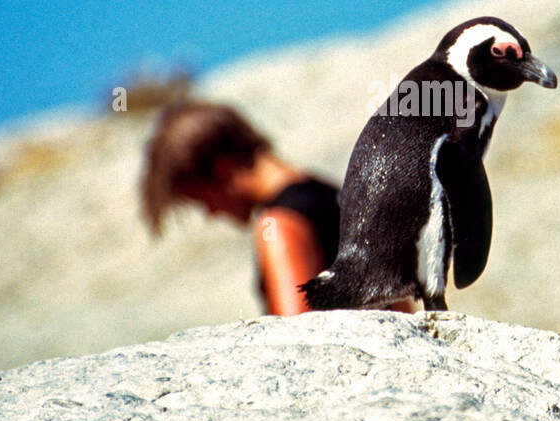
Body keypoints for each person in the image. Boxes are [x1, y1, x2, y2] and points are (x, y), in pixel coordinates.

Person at [141, 100, 409, 316]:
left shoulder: (280, 224)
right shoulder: (341, 196)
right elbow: (400, 309)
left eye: (202, 201)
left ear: (222, 169)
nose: (211, 214)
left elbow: (294, 340)